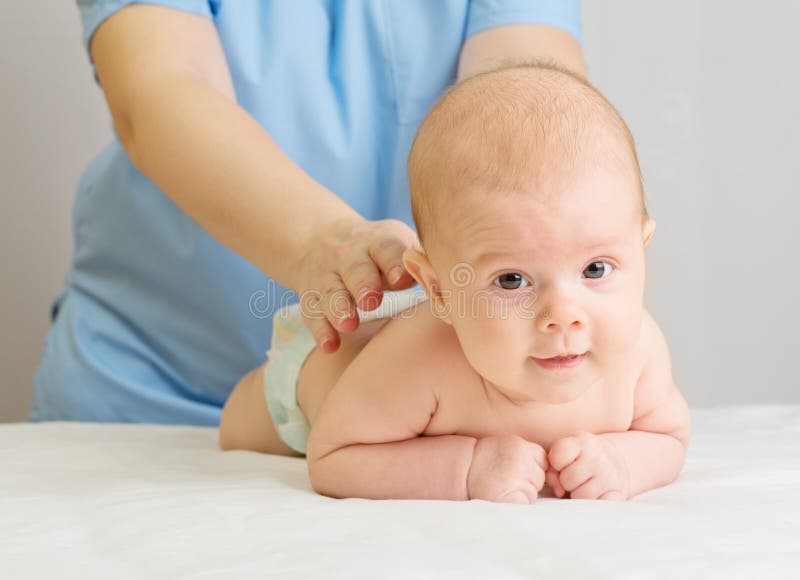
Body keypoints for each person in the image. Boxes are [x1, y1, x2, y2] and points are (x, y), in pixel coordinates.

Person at [31, 1, 586, 424]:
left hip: (424, 409)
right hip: (152, 395)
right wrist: (329, 245)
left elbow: (530, 100)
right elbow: (161, 87)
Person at [219, 63, 692, 503]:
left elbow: (667, 437)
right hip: (324, 368)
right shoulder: (418, 363)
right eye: (511, 280)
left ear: (641, 246)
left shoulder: (640, 355)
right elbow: (333, 457)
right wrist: (467, 468)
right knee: (234, 429)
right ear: (439, 290)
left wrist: (623, 465)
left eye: (595, 269)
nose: (564, 313)